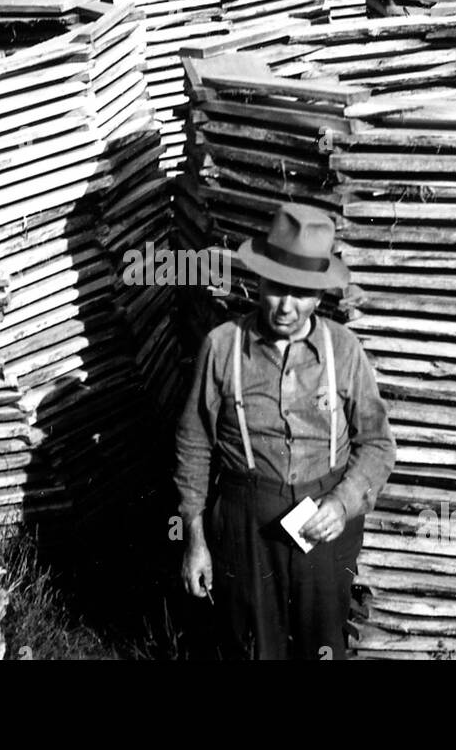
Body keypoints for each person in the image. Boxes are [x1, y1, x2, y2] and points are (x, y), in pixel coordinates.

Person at [175, 202, 396, 660]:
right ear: (259, 281)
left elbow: (377, 444)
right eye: (277, 288)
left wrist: (344, 502)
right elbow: (193, 443)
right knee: (251, 646)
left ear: (319, 296)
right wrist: (194, 539)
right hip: (245, 522)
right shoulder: (223, 347)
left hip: (325, 521)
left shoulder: (342, 349)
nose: (287, 306)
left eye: (301, 293)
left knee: (323, 644)